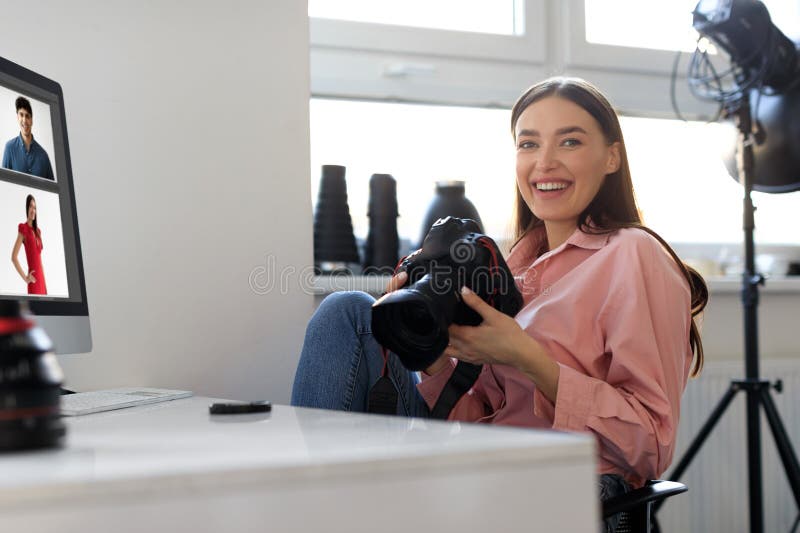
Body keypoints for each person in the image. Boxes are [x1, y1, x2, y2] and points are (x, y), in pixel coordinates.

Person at [291, 77, 708, 532]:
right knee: (349, 312)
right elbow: (476, 419)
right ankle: (309, 507)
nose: (544, 162)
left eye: (569, 141)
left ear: (612, 156)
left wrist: (527, 358)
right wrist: (429, 355)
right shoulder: (508, 268)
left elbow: (652, 443)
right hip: (479, 465)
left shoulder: (633, 254)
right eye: (528, 144)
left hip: (564, 483)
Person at [2, 96, 55, 180]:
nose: (24, 120)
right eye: (21, 115)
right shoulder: (9, 148)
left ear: (31, 120)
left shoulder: (43, 155)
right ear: (17, 117)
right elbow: (3, 182)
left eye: (27, 116)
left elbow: (52, 189)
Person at [11, 194, 48, 295]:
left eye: (35, 207)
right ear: (27, 208)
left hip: (41, 281)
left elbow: (40, 261)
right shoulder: (23, 229)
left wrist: (45, 285)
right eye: (31, 206)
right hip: (33, 280)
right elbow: (14, 257)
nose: (33, 210)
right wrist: (26, 278)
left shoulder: (38, 232)